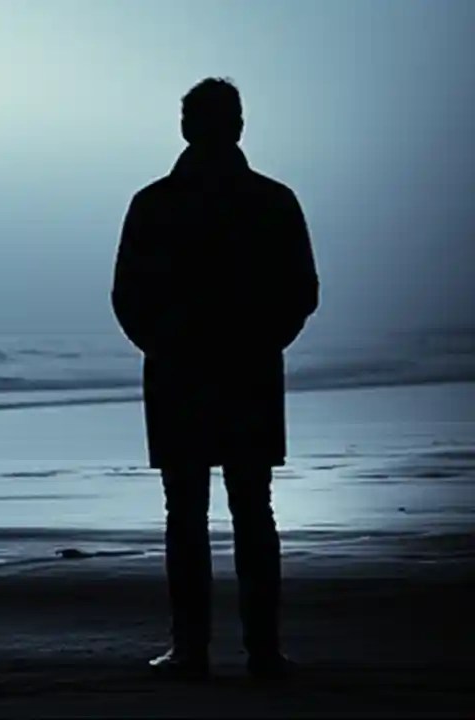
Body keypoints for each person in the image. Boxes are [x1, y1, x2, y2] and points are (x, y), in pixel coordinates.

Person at [111, 78, 319, 680]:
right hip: (245, 372)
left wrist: (167, 344)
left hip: (182, 373)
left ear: (185, 128)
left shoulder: (154, 203)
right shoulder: (272, 200)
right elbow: (301, 293)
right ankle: (261, 650)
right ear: (238, 126)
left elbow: (128, 297)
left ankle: (193, 648)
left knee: (188, 513)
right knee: (253, 511)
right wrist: (259, 342)